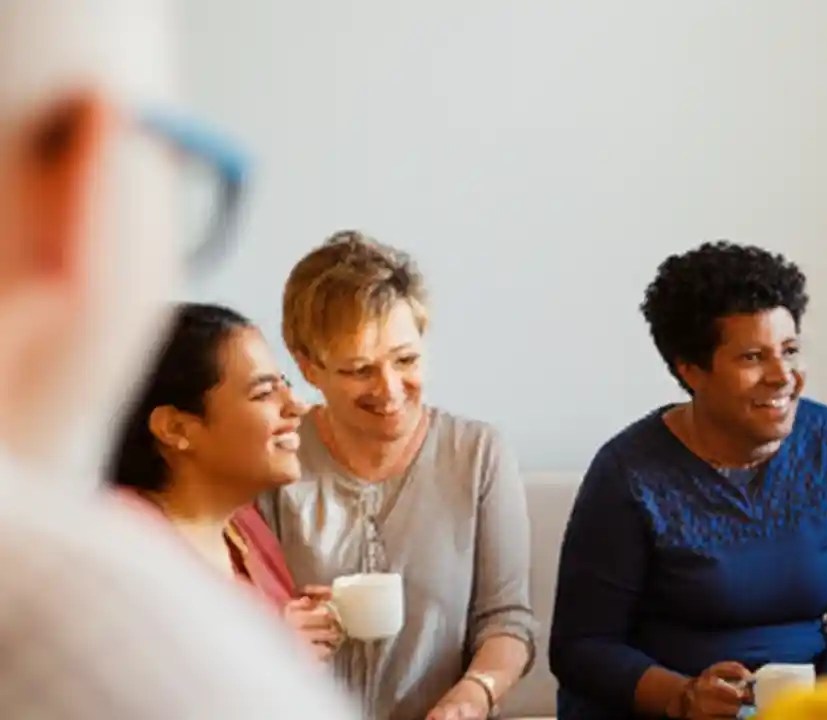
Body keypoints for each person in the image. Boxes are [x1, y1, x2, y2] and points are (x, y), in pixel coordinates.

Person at [0, 1, 357, 717]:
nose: (298, 406)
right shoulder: (102, 619)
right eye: (181, 167)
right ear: (82, 182)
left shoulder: (245, 528)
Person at [549, 241, 827, 720]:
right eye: (753, 357)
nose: (783, 377)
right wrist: (683, 696)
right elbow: (582, 647)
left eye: (790, 350)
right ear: (690, 370)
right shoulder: (628, 474)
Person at [258, 231, 535, 720]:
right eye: (358, 369)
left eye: (406, 360)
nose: (389, 390)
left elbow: (507, 621)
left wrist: (474, 695)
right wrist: (276, 630)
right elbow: (222, 614)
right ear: (308, 367)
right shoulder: (276, 459)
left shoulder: (477, 454)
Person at [107, 302, 343, 661]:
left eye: (287, 385)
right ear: (176, 428)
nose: (297, 405)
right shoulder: (124, 549)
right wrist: (273, 651)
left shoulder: (243, 525)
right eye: (264, 393)